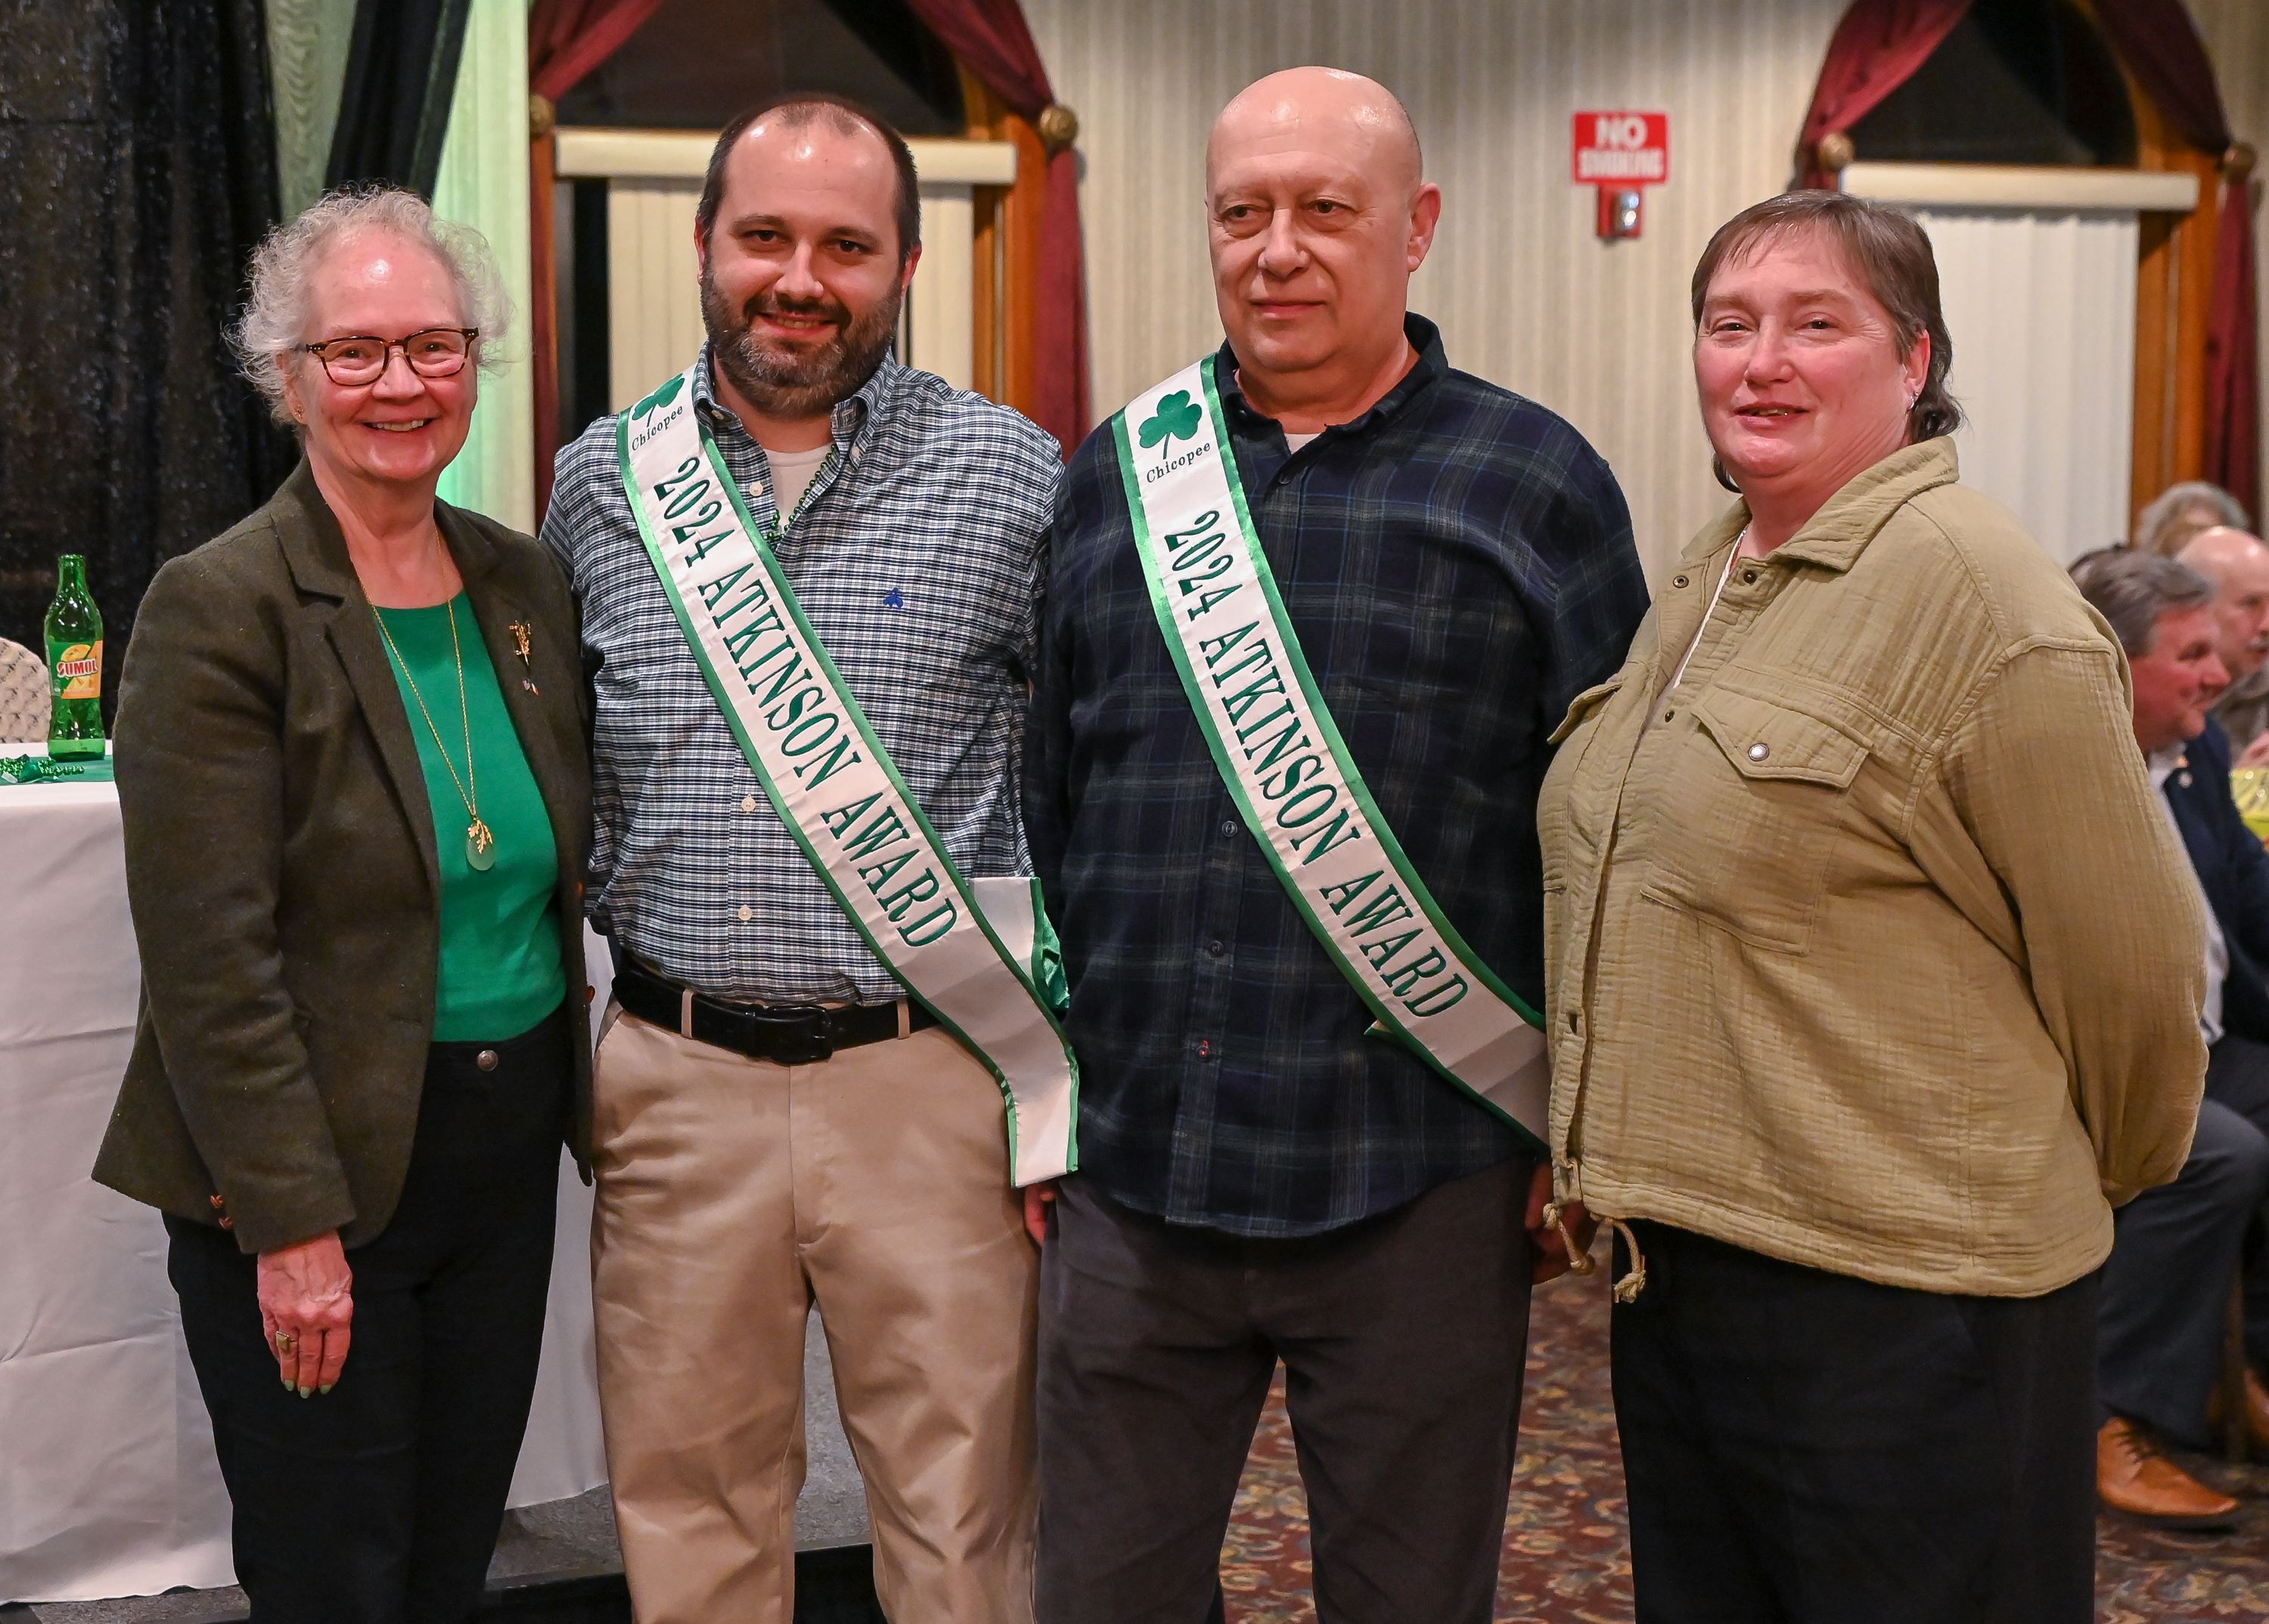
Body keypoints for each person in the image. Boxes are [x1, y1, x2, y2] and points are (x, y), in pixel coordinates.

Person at [1026, 67, 1647, 1623]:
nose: (1277, 249)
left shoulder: (1539, 483)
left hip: (1422, 1175)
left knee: (1409, 1593)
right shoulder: (1118, 470)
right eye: (1243, 212)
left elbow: (1621, 845)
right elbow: (1050, 794)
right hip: (1140, 1168)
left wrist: (1580, 1118)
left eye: (1325, 210)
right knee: (1101, 1593)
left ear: (1417, 227)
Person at [1538, 190, 2207, 1624]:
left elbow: (2140, 981)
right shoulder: (1714, 576)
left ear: (1916, 360)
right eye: (1731, 324)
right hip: (1698, 1275)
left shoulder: (1984, 597)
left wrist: (2058, 1188)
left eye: (1816, 323)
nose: (1761, 360)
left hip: (1908, 1304)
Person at [542, 93, 1065, 1624]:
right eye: (764, 234)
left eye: (847, 244)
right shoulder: (601, 482)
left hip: (933, 1081)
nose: (799, 275)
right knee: (691, 1512)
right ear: (703, 243)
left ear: (907, 265)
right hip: (675, 1078)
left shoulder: (1018, 478)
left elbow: (1082, 781)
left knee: (965, 1518)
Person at [92, 187, 591, 1622]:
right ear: (288, 378)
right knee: (337, 1578)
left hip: (500, 1155)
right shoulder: (221, 606)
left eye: (432, 347)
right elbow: (209, 962)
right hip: (315, 1169)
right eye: (356, 352)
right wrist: (292, 1225)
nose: (401, 385)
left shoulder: (522, 581)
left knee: (447, 1564)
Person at [2070, 547, 2269, 1526]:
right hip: (2102, 1061)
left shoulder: (2197, 755)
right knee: (2225, 1153)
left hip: (2201, 1036)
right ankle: (2111, 1415)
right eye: (2192, 653)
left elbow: (2253, 914)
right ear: (2117, 661)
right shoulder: (2062, 776)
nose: (2221, 673)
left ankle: (2239, 1370)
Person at [2177, 525, 2269, 758]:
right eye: (2251, 604)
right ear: (2198, 606)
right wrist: (2243, 784)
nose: (2267, 624)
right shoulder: (2158, 693)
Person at [2138, 477, 2252, 557]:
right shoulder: (2144, 584)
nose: (2195, 538)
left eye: (2203, 531)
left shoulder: (2239, 585)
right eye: (2186, 530)